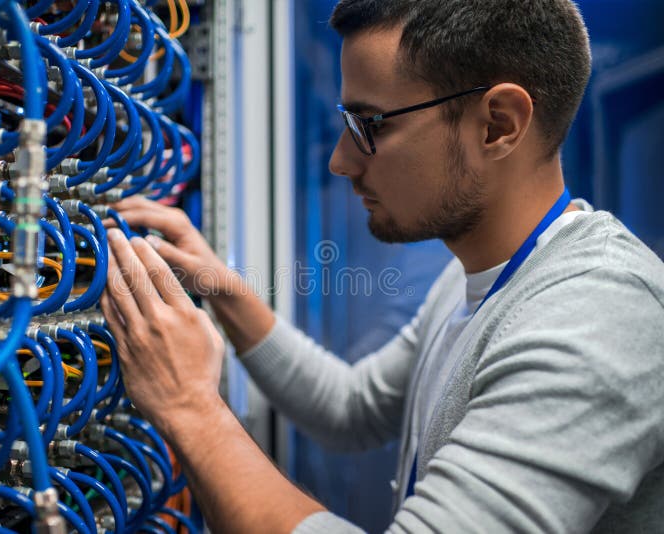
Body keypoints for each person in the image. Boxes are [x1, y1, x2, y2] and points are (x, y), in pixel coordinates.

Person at [100, 0, 664, 532]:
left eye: (370, 125)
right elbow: (351, 408)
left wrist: (190, 406)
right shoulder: (479, 275)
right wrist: (221, 286)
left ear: (498, 124)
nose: (340, 161)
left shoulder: (598, 318)